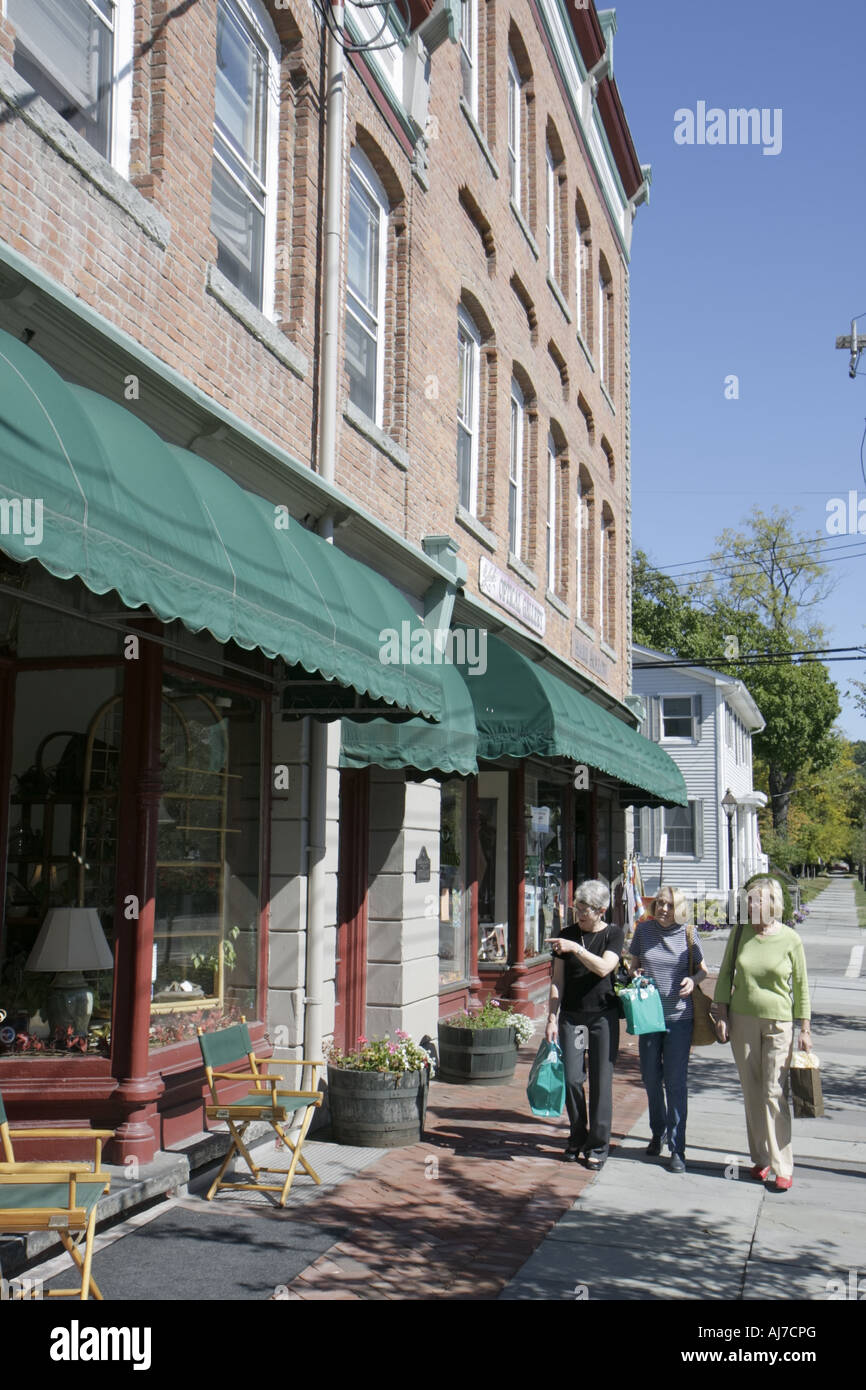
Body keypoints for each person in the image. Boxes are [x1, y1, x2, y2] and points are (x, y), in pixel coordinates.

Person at [714, 876, 811, 1193]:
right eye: (747, 900)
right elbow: (726, 972)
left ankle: (783, 1165)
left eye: (754, 900)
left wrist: (804, 1028)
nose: (749, 905)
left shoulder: (790, 939)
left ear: (772, 904)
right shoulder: (740, 933)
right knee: (752, 1091)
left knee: (773, 1092)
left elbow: (801, 987)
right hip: (742, 1021)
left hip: (779, 1023)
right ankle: (761, 1158)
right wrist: (722, 1014)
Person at [628, 885, 707, 1174]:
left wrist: (693, 980)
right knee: (650, 1079)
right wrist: (635, 973)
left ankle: (677, 1147)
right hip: (649, 1016)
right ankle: (657, 1131)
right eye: (660, 903)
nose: (663, 909)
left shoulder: (688, 933)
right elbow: (633, 965)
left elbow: (703, 970)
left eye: (669, 905)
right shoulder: (644, 931)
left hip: (678, 1018)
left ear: (679, 908)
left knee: (675, 1083)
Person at [546, 879, 623, 1169]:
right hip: (573, 1018)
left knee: (601, 1082)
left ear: (601, 910)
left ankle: (599, 1145)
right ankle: (577, 1135)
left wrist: (576, 949)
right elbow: (557, 982)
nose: (579, 914)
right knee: (572, 1078)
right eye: (577, 908)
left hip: (603, 1016)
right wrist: (552, 1018)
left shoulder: (613, 934)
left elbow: (605, 967)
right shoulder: (566, 934)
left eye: (585, 910)